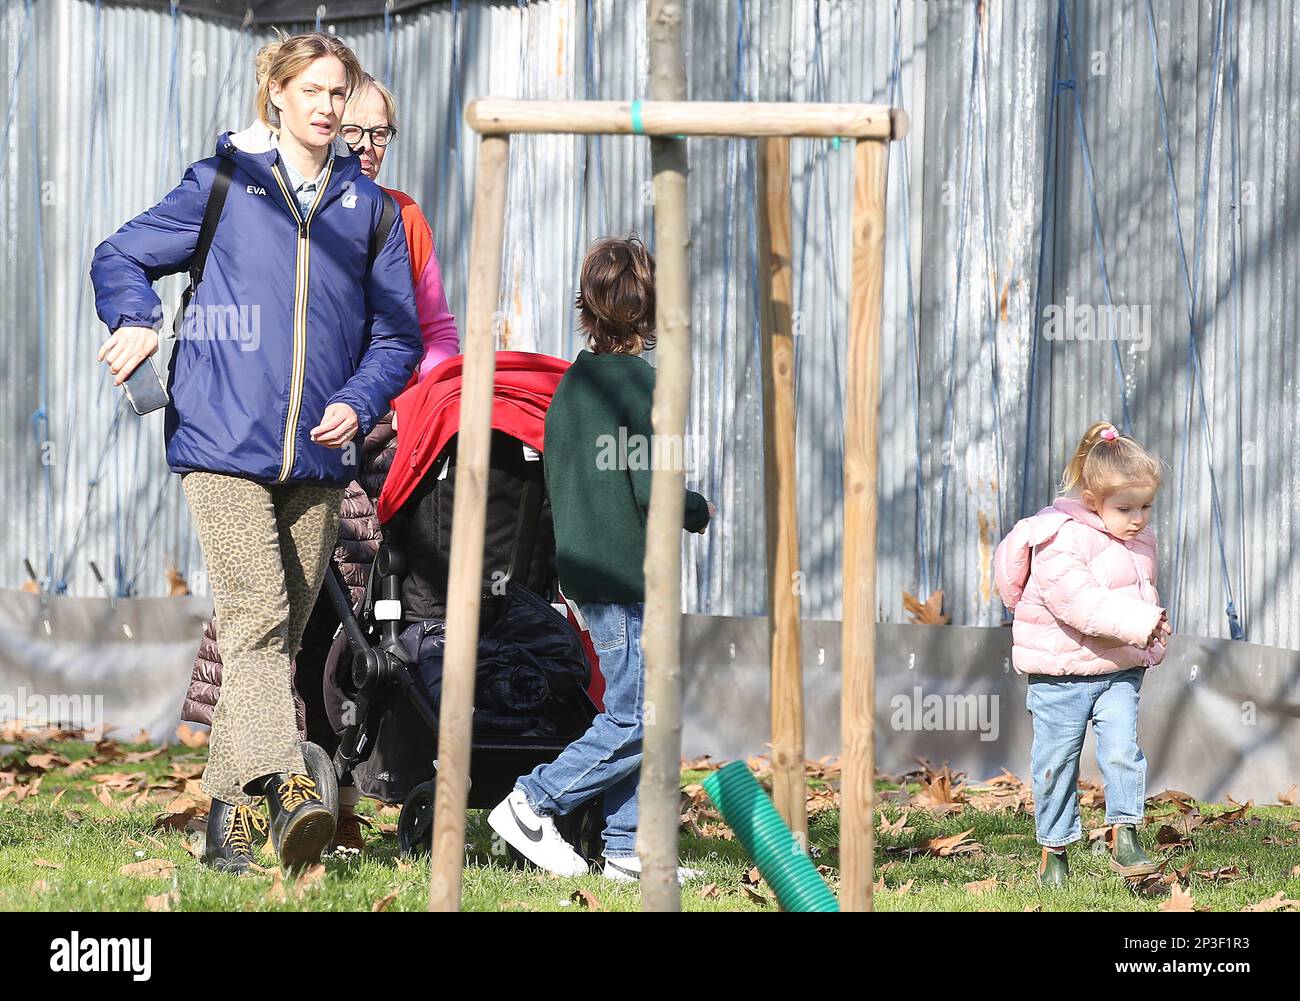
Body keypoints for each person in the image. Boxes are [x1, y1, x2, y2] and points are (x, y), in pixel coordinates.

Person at [91, 31, 422, 873]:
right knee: (257, 617)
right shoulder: (226, 184)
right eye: (310, 89)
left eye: (337, 92)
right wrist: (134, 315)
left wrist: (357, 399)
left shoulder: (370, 211)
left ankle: (226, 829)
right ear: (275, 93)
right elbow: (120, 253)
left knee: (270, 638)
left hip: (317, 459)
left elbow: (399, 335)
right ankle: (290, 789)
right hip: (219, 442)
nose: (326, 106)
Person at [182, 71, 460, 858]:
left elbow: (431, 332)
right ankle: (294, 797)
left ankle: (255, 814)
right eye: (356, 130)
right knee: (272, 623)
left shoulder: (397, 217)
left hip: (372, 449)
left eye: (381, 134)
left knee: (334, 630)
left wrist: (404, 400)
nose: (366, 146)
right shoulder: (289, 202)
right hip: (287, 444)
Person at [487, 235, 712, 883]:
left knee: (631, 704)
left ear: (587, 308)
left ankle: (623, 848)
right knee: (640, 715)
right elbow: (656, 488)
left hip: (584, 571)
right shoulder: (645, 388)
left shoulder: (570, 386)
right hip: (625, 574)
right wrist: (697, 509)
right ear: (651, 313)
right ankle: (533, 802)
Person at [993, 421, 1171, 886]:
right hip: (1060, 675)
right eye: (1126, 507)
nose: (1138, 518)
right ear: (1092, 500)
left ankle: (1126, 831)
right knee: (1056, 764)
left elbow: (1140, 596)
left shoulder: (1138, 540)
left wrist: (1152, 631)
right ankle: (1055, 851)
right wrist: (1140, 625)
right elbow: (1079, 603)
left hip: (1116, 671)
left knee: (1121, 752)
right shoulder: (1060, 538)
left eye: (1147, 506)